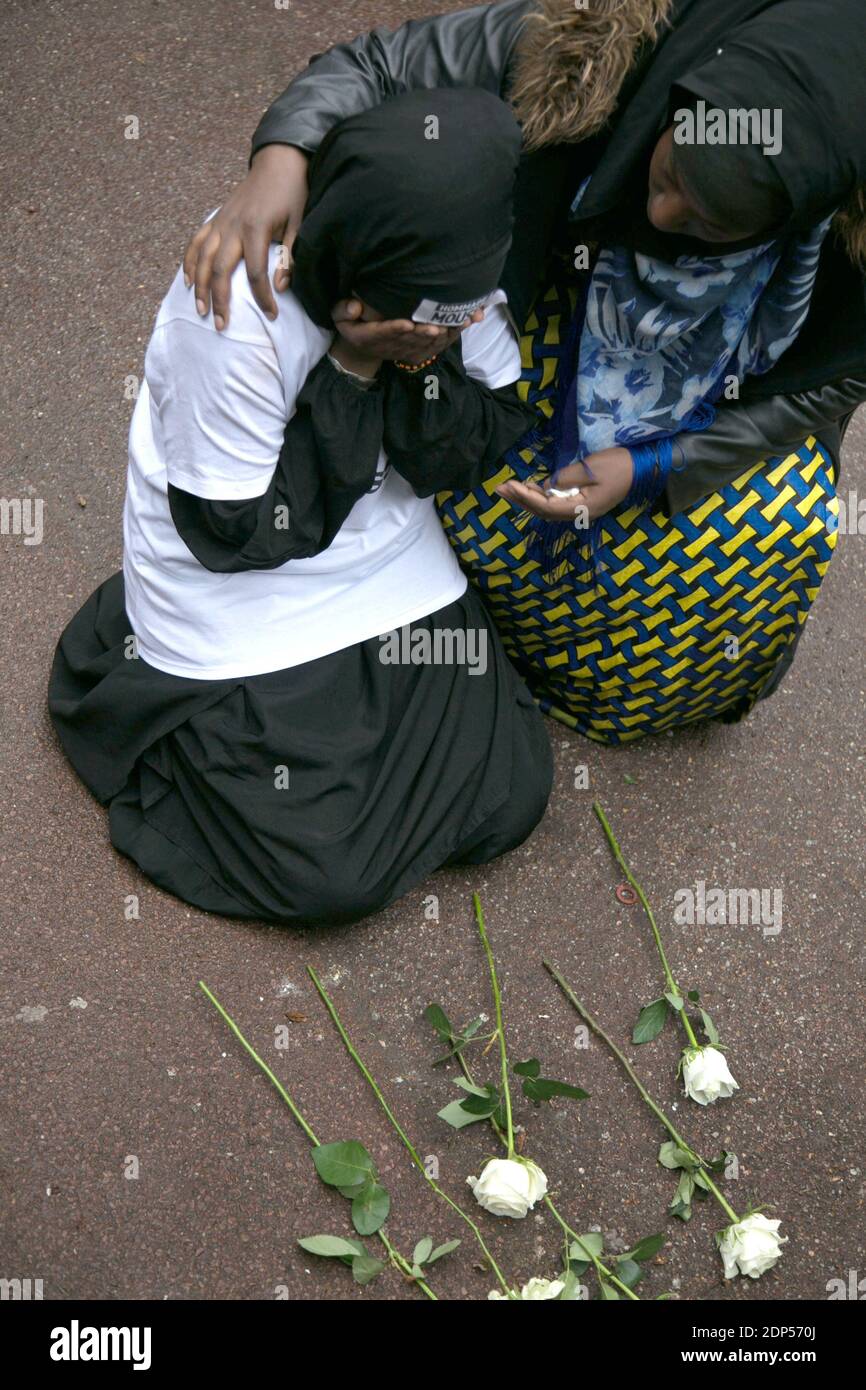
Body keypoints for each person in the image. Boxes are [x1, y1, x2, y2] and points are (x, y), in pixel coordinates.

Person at [184, 0, 866, 741]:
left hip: (730, 406)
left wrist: (655, 465)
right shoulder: (600, 44)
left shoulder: (842, 244)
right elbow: (375, 66)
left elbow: (824, 387)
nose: (659, 214)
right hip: (549, 287)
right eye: (666, 169)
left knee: (765, 542)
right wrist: (281, 155)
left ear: (799, 215)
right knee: (466, 450)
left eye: (707, 225)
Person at [48, 88, 553, 924]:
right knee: (329, 875)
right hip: (243, 573)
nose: (444, 330)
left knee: (510, 796)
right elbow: (238, 533)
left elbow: (477, 438)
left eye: (454, 318)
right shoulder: (237, 306)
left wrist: (418, 362)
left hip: (385, 553)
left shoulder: (456, 271)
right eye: (424, 318)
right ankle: (162, 717)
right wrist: (355, 367)